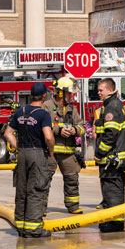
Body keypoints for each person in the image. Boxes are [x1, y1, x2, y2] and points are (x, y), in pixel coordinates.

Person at [3, 82, 55, 237]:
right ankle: (33, 229)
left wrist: (18, 146)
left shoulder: (20, 112)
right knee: (36, 190)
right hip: (37, 153)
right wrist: (51, 151)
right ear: (44, 96)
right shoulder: (43, 114)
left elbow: (7, 133)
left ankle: (21, 225)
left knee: (22, 190)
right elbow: (48, 136)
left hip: (23, 154)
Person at [43, 77, 86, 214]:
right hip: (51, 151)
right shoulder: (47, 106)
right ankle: (40, 208)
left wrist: (75, 130)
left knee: (72, 179)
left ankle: (73, 206)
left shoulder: (71, 109)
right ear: (60, 93)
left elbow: (83, 126)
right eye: (69, 93)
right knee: (44, 179)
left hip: (68, 152)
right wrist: (59, 130)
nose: (71, 96)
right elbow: (43, 126)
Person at [94, 78, 125, 233]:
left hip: (112, 159)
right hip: (112, 159)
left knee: (113, 191)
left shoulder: (112, 106)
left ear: (109, 90)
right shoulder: (111, 105)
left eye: (101, 90)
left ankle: (116, 224)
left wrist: (99, 152)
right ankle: (113, 221)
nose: (98, 93)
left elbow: (111, 134)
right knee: (110, 191)